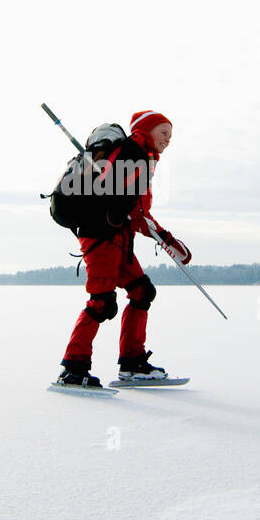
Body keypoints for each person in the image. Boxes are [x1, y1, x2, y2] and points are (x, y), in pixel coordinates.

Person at [55, 110, 191, 389]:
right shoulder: (132, 153)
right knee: (101, 301)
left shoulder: (143, 159)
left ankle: (132, 363)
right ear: (146, 129)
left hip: (118, 237)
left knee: (142, 291)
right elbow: (120, 203)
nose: (168, 140)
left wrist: (167, 240)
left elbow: (136, 212)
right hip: (101, 236)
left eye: (171, 135)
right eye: (163, 132)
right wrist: (166, 239)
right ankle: (73, 368)